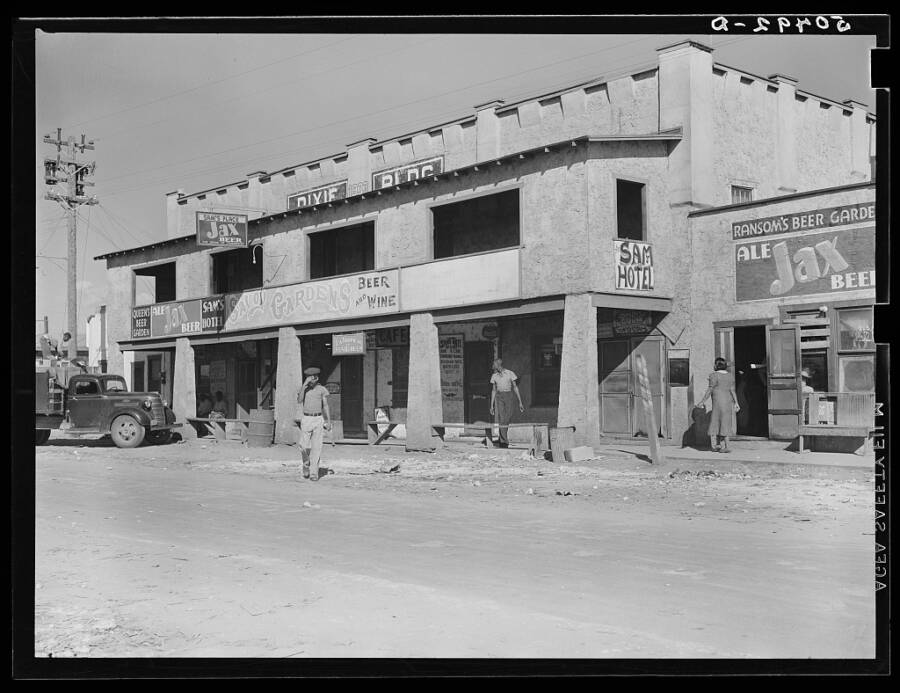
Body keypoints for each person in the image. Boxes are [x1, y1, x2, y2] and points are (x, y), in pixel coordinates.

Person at [698, 357, 740, 453]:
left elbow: (710, 389)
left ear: (716, 365)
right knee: (725, 422)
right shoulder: (730, 376)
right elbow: (732, 390)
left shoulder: (714, 375)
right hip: (728, 402)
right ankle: (725, 446)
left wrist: (702, 401)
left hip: (718, 402)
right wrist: (736, 402)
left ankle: (716, 446)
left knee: (715, 421)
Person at [297, 367, 331, 481]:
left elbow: (325, 405)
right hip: (306, 418)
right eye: (310, 377)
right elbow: (299, 400)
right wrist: (304, 385)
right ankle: (306, 464)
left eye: (314, 377)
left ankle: (313, 473)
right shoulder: (304, 389)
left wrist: (328, 421)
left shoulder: (322, 389)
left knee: (317, 447)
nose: (312, 379)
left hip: (318, 418)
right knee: (303, 446)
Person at [489, 358, 524, 448]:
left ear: (498, 365)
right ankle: (503, 441)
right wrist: (491, 405)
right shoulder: (494, 376)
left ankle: (502, 439)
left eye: (494, 364)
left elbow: (515, 387)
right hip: (499, 396)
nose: (492, 366)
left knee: (507, 418)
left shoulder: (510, 373)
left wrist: (520, 402)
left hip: (509, 396)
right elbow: (493, 390)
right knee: (501, 418)